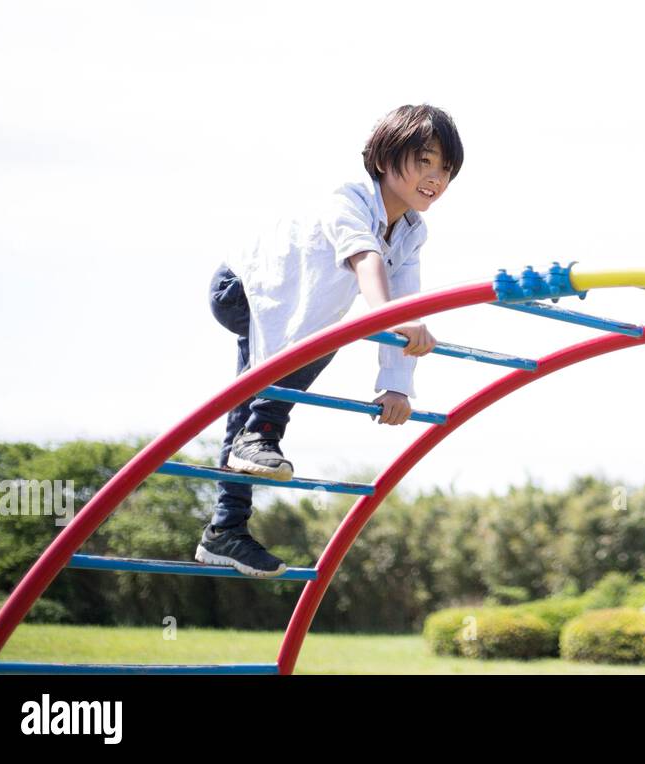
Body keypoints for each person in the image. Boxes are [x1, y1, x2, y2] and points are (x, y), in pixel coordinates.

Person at [195, 104, 464, 577]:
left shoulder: (411, 232)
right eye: (424, 161)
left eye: (445, 169)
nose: (435, 178)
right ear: (385, 158)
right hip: (243, 288)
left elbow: (408, 298)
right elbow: (366, 262)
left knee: (252, 395)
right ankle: (260, 433)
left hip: (294, 318)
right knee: (320, 342)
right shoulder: (350, 200)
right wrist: (389, 316)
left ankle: (225, 530)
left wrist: (396, 384)